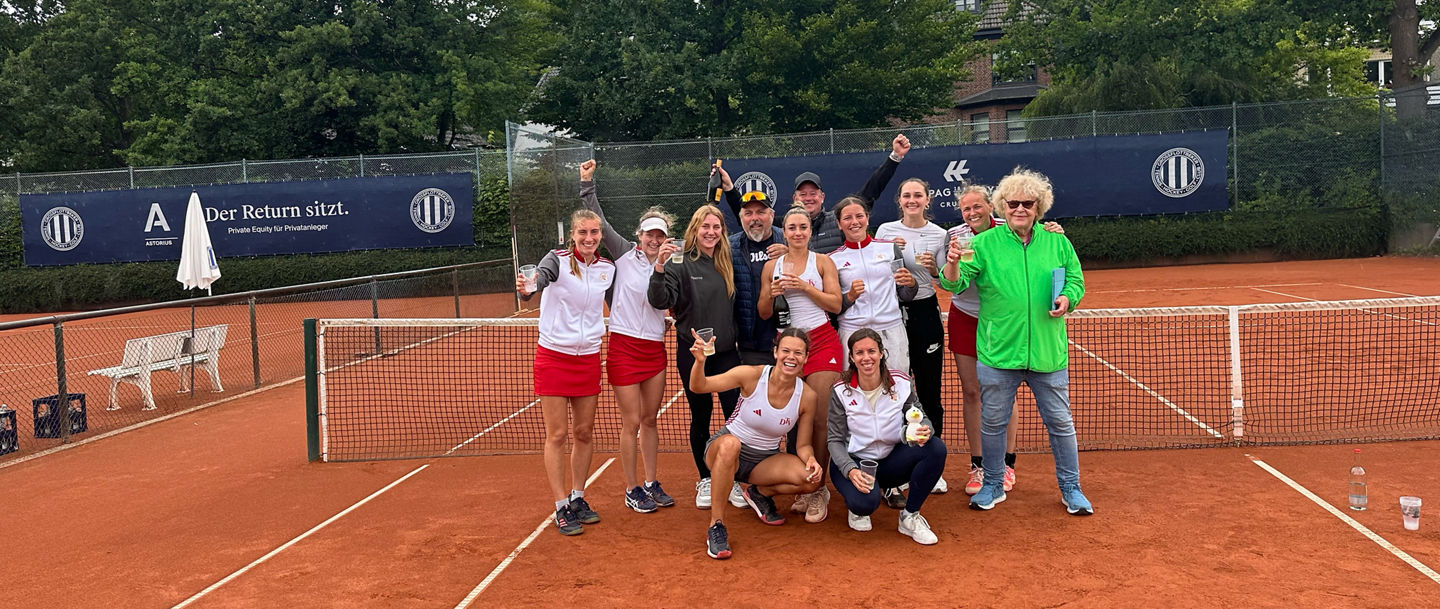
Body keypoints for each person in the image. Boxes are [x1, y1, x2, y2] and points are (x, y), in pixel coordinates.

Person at [939, 168, 1093, 516]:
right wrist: (950, 265)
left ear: (1039, 207)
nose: (1019, 209)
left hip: (1047, 353)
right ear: (1001, 206)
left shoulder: (1058, 242)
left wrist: (1068, 299)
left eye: (1027, 203)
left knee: (1061, 424)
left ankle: (1072, 489)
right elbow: (955, 284)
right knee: (992, 423)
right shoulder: (980, 244)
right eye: (1012, 203)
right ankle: (992, 483)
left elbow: (1075, 281)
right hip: (998, 353)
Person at [946, 185, 1066, 495]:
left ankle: (1006, 465)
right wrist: (951, 262)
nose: (972, 213)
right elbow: (952, 281)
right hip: (965, 318)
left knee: (1003, 393)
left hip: (1003, 323)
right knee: (973, 392)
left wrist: (1053, 231)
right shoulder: (956, 236)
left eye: (977, 207)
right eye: (965, 209)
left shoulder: (1010, 228)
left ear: (991, 207)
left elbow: (1052, 255)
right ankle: (979, 465)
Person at [813, 194, 928, 515]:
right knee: (859, 403)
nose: (854, 222)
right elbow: (835, 306)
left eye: (859, 216)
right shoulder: (833, 260)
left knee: (896, 399)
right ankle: (857, 471)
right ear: (839, 224)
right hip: (853, 335)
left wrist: (909, 285)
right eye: (847, 218)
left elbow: (906, 293)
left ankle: (893, 481)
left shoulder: (888, 248)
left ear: (867, 218)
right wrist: (849, 296)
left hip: (892, 332)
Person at [576, 159, 675, 512]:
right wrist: (587, 184)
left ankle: (651, 481)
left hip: (655, 349)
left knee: (651, 419)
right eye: (649, 234)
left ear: (666, 238)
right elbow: (598, 221)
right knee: (631, 421)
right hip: (623, 347)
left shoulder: (671, 263)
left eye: (660, 235)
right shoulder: (622, 253)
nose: (654, 239)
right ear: (639, 235)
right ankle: (632, 488)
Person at [516, 208, 615, 536]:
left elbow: (621, 303)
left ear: (600, 235)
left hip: (588, 358)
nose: (589, 238)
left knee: (584, 433)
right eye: (583, 233)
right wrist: (528, 288)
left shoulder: (607, 269)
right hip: (553, 357)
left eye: (594, 232)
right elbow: (537, 280)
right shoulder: (556, 260)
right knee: (557, 435)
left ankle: (577, 497)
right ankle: (560, 505)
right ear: (572, 235)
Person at [688, 327, 824, 559]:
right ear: (775, 352)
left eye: (798, 353)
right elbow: (699, 387)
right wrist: (700, 362)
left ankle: (759, 493)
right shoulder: (751, 375)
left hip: (764, 461)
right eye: (786, 351)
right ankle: (716, 525)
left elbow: (802, 445)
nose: (791, 357)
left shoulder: (807, 396)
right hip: (724, 449)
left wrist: (810, 459)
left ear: (806, 358)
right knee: (731, 445)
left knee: (810, 481)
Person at [648, 204, 744, 510]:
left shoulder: (728, 259)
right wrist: (660, 268)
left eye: (716, 227)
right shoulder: (679, 263)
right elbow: (660, 299)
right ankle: (705, 478)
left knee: (736, 417)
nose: (711, 232)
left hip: (728, 354)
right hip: (693, 355)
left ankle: (734, 479)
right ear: (695, 230)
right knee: (700, 416)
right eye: (705, 227)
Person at [756, 207, 844, 523]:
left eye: (802, 227)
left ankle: (818, 488)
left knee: (820, 417)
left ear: (809, 231)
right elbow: (764, 311)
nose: (797, 232)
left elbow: (835, 303)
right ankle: (804, 481)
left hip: (821, 342)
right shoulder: (771, 267)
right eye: (791, 227)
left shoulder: (822, 262)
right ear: (785, 230)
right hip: (788, 347)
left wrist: (806, 287)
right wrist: (773, 292)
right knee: (793, 420)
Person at [827, 328, 947, 544]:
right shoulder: (840, 390)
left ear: (881, 353)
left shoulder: (901, 383)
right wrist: (850, 470)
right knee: (865, 504)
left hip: (891, 461)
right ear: (852, 358)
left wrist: (925, 430)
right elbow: (834, 440)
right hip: (855, 462)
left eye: (871, 351)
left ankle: (910, 516)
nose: (866, 358)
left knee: (935, 448)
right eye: (859, 353)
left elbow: (921, 416)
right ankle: (858, 505)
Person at [874, 178, 951, 493]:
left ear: (927, 199)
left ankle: (932, 463)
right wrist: (891, 260)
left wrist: (934, 270)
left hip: (924, 314)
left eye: (918, 195)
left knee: (930, 388)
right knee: (894, 388)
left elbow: (947, 282)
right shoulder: (884, 231)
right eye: (907, 195)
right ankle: (895, 464)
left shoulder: (940, 235)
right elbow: (876, 270)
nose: (912, 200)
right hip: (892, 314)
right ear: (899, 200)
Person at [713, 163, 787, 366]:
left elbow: (814, 266)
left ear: (771, 216)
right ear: (741, 218)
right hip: (750, 344)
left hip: (788, 341)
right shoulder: (730, 246)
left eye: (761, 212)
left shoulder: (788, 240)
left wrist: (792, 255)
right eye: (748, 213)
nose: (755, 218)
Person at [793, 134, 911, 253]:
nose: (808, 198)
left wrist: (895, 157)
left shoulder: (838, 219)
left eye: (813, 193)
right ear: (795, 198)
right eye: (803, 194)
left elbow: (871, 190)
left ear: (822, 197)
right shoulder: (784, 227)